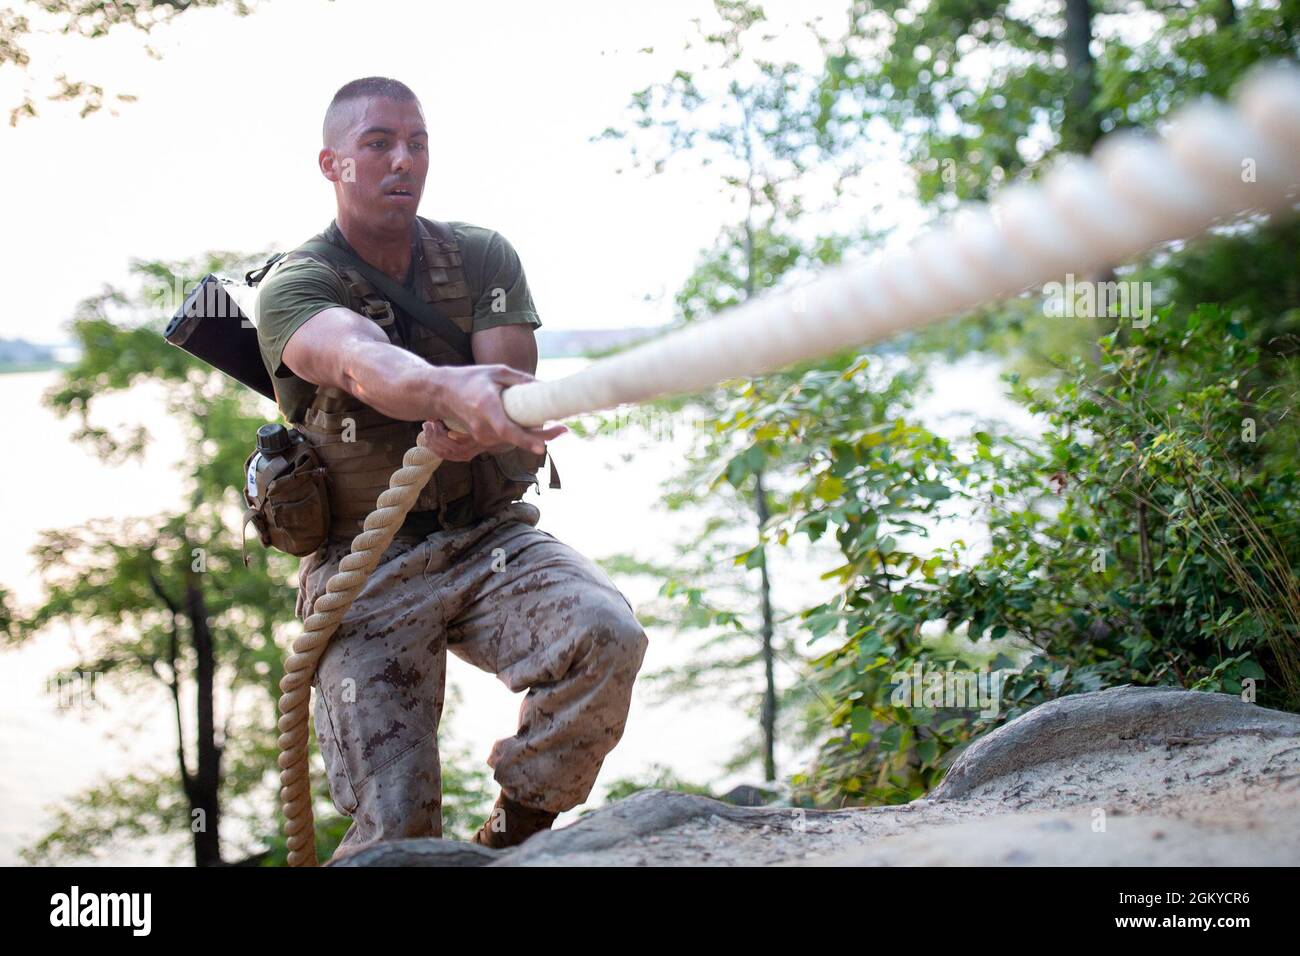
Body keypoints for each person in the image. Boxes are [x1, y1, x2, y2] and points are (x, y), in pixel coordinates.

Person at [253, 76, 648, 860]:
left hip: (488, 540)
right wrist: (445, 389)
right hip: (365, 568)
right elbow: (358, 362)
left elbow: (506, 375)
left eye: (418, 142)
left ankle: (517, 832)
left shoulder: (480, 255)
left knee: (606, 635)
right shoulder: (294, 284)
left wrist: (485, 416)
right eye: (379, 144)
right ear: (332, 163)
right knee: (395, 827)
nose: (404, 159)